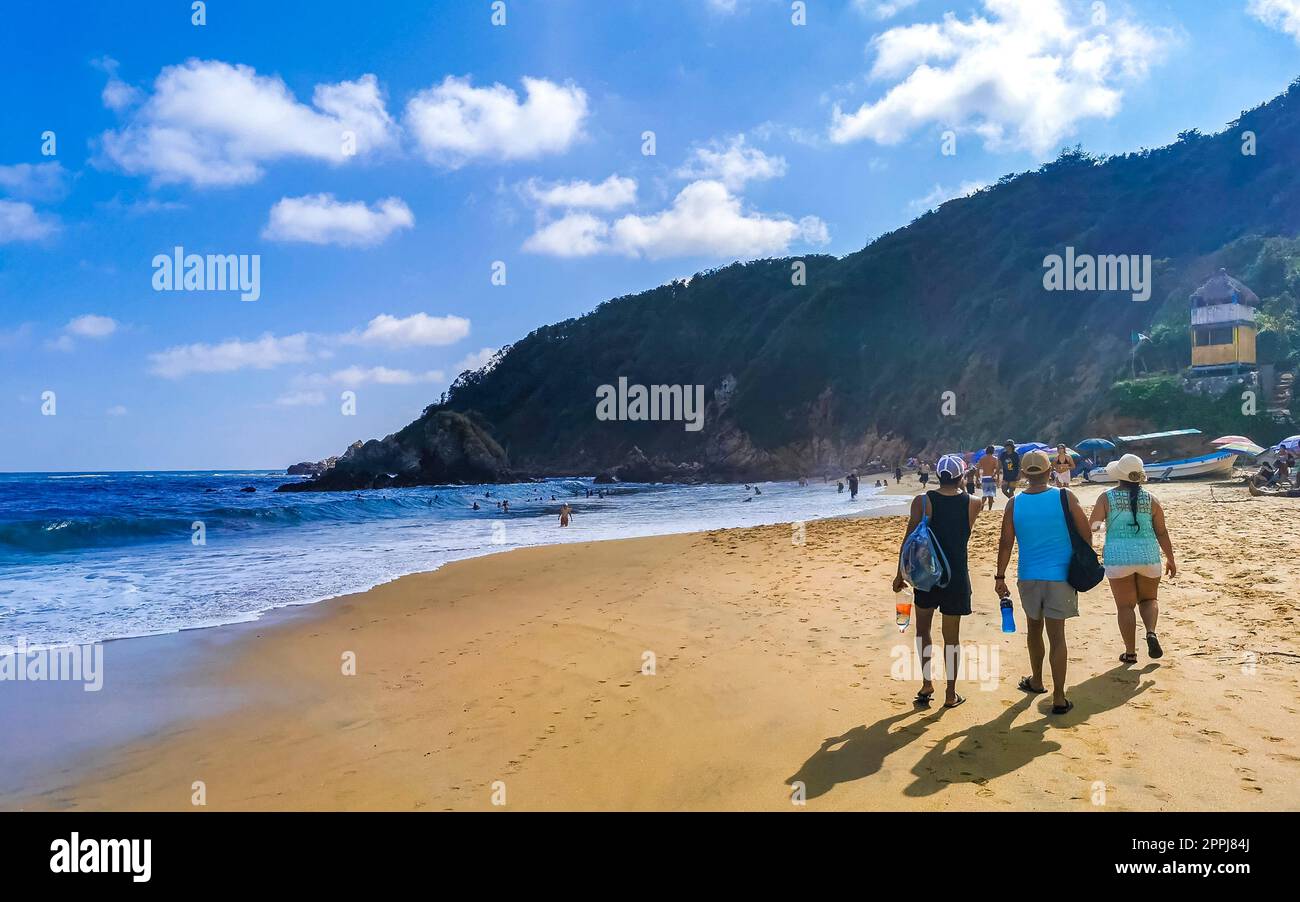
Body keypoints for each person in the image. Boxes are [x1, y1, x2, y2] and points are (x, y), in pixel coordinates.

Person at [995, 450, 1092, 715]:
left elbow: (1006, 542)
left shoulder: (1014, 504)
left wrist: (1000, 576)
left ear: (1024, 474)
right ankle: (1059, 697)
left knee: (1034, 631)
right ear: (1050, 471)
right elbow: (1085, 535)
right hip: (1060, 577)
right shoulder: (1065, 497)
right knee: (1057, 637)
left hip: (1028, 576)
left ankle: (1037, 681)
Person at [892, 454, 982, 709]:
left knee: (922, 631)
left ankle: (926, 683)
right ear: (961, 476)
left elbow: (908, 539)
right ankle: (951, 694)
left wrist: (900, 574)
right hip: (956, 578)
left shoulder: (922, 502)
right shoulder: (973, 503)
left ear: (937, 475)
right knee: (952, 638)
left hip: (925, 576)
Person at [1088, 454, 1174, 664]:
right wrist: (1171, 558)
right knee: (1149, 600)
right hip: (1148, 556)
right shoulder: (1152, 500)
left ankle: (1130, 653)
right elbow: (1161, 532)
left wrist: (1090, 548)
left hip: (1118, 558)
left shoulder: (1106, 497)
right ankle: (1151, 632)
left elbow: (1093, 527)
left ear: (1119, 475)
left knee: (1125, 607)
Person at [976, 445, 1000, 511]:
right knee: (991, 495)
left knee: (985, 494)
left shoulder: (982, 459)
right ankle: (989, 509)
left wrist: (977, 478)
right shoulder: (994, 459)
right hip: (991, 478)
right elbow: (997, 469)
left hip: (984, 478)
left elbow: (977, 469)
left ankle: (981, 508)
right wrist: (996, 477)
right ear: (993, 451)